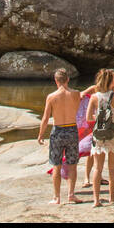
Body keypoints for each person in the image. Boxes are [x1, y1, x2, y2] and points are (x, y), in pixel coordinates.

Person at [78, 69, 114, 187]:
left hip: (109, 125)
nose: (112, 79)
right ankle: (87, 178)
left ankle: (100, 178)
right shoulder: (95, 88)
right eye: (110, 77)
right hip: (94, 125)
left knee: (102, 152)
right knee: (92, 152)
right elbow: (82, 94)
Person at [37, 68, 82, 205]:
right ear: (68, 79)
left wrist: (40, 135)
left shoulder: (51, 97)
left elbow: (45, 118)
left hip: (57, 131)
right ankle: (71, 194)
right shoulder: (75, 94)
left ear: (56, 81)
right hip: (72, 130)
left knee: (56, 165)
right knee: (72, 164)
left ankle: (56, 197)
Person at [85, 68, 114, 206]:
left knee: (97, 168)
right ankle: (112, 198)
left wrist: (98, 118)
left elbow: (88, 118)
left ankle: (96, 200)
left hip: (98, 135)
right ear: (110, 81)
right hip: (113, 133)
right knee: (112, 168)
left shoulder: (94, 97)